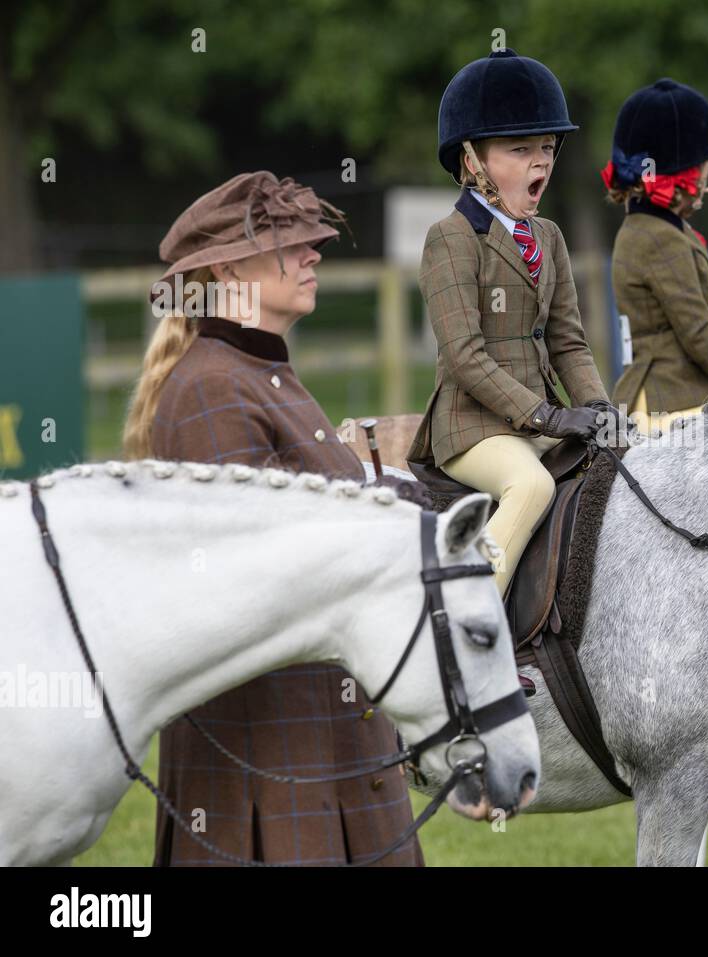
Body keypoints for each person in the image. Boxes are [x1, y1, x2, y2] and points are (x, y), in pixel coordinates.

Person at [124, 170, 422, 865]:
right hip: (267, 774)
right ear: (230, 266)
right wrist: (393, 499)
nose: (314, 254)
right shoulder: (211, 387)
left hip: (324, 753)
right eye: (292, 244)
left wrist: (386, 476)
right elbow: (257, 583)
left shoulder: (255, 374)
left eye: (314, 243)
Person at [406, 49, 613, 599]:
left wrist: (597, 408)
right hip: (474, 428)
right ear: (472, 161)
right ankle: (472, 622)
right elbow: (464, 356)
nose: (540, 163)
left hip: (540, 423)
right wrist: (545, 414)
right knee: (530, 486)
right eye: (520, 150)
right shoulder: (450, 238)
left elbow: (568, 339)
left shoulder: (548, 236)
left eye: (546, 148)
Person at [602, 78, 708, 434]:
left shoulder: (646, 229)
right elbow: (701, 339)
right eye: (705, 167)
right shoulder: (659, 239)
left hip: (664, 396)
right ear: (687, 174)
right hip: (671, 404)